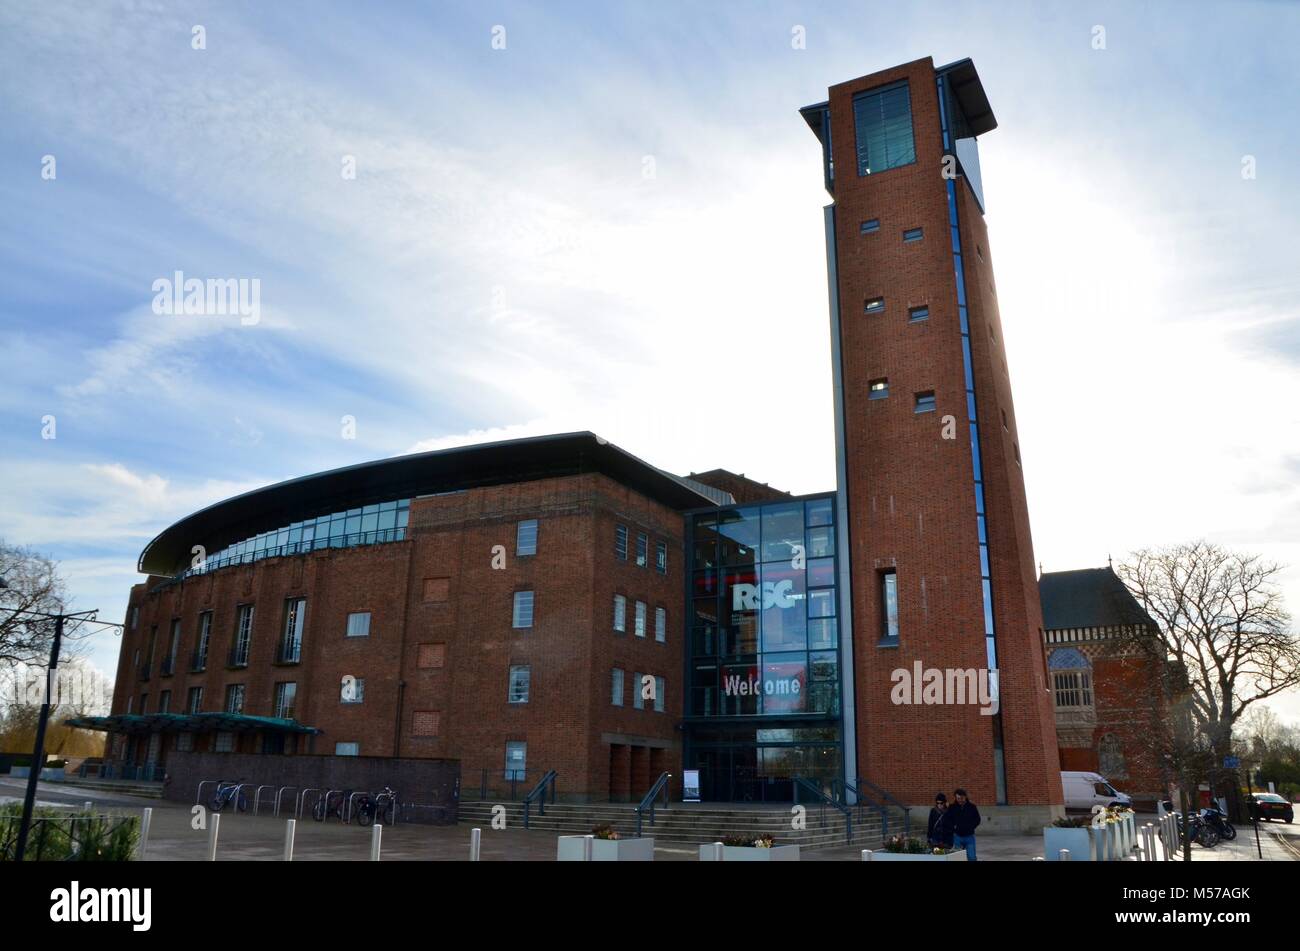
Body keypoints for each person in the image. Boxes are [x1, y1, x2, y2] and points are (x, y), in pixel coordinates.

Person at [948, 787, 981, 860]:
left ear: (965, 797)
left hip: (969, 836)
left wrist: (971, 827)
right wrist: (953, 828)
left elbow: (977, 819)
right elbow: (948, 820)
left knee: (971, 857)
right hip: (957, 836)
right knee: (957, 858)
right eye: (958, 798)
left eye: (961, 798)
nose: (960, 800)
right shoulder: (952, 807)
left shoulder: (972, 807)